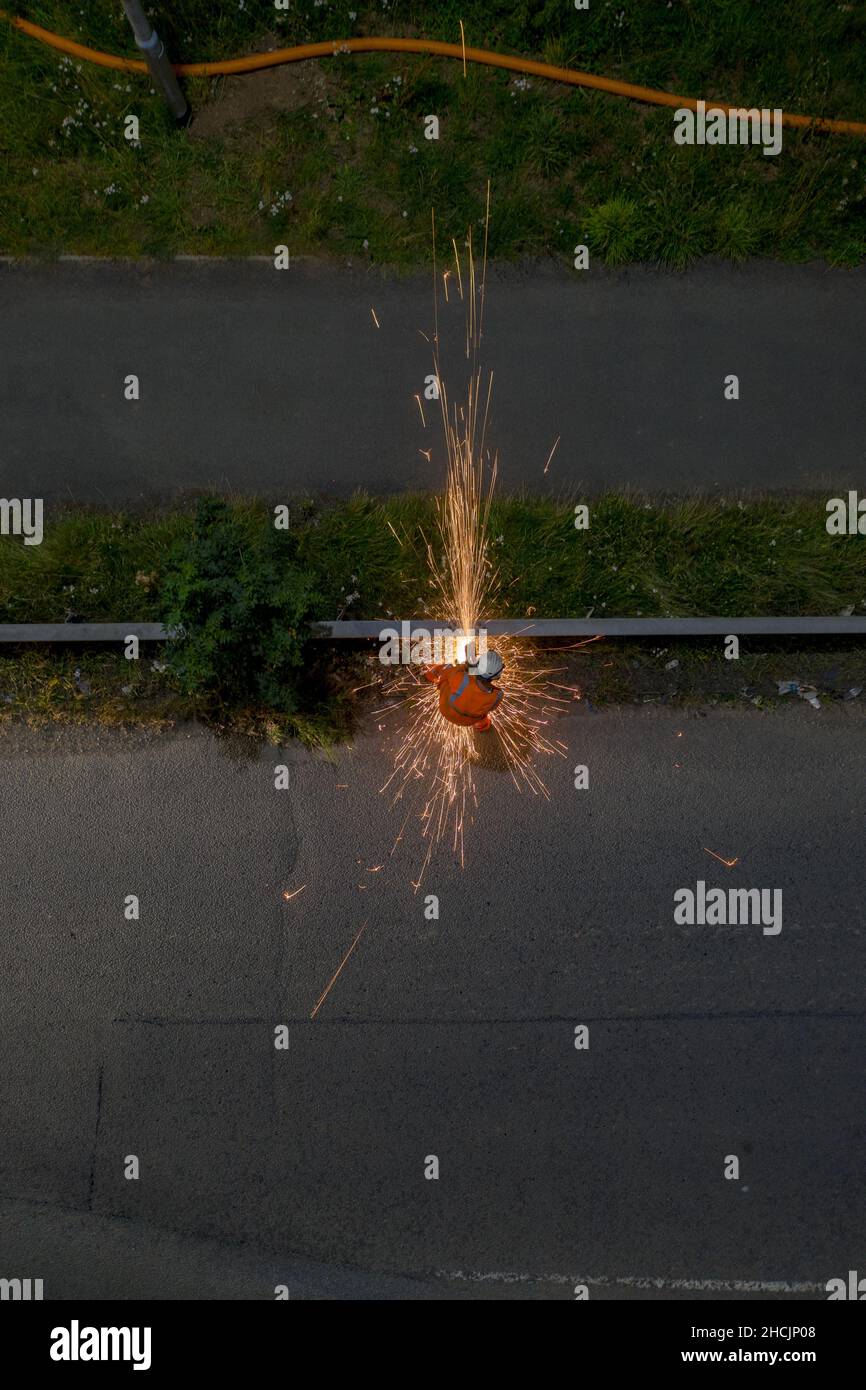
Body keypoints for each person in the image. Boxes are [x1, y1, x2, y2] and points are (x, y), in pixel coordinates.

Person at [424, 646, 504, 731]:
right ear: (496, 677)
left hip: (446, 710)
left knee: (447, 669)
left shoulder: (461, 678)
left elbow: (458, 672)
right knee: (484, 710)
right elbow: (489, 705)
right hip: (469, 721)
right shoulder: (497, 695)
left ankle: (426, 671)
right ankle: (481, 725)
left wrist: (464, 666)